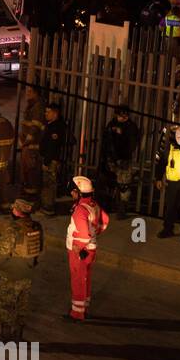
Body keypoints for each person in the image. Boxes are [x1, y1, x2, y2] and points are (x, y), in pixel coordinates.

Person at [0, 198, 43, 341]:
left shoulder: (12, 229)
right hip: (28, 270)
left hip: (12, 271)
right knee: (22, 304)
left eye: (14, 208)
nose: (12, 210)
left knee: (5, 303)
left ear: (18, 211)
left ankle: (5, 335)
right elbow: (40, 248)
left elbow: (2, 251)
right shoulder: (36, 226)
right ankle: (19, 335)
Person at [65, 175, 109, 321]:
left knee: (78, 280)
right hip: (91, 248)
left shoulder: (80, 210)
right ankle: (84, 307)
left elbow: (83, 234)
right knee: (86, 278)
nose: (72, 194)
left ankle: (77, 313)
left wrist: (78, 246)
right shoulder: (93, 205)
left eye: (74, 191)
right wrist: (96, 232)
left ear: (79, 192)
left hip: (80, 250)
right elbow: (105, 221)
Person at [100, 104, 141, 213]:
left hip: (123, 159)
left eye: (124, 114)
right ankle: (107, 205)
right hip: (110, 159)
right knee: (109, 182)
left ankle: (122, 208)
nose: (123, 117)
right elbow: (106, 141)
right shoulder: (112, 124)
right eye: (120, 114)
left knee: (124, 185)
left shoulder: (131, 127)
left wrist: (121, 136)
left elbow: (131, 145)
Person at [39, 103, 66, 214]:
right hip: (49, 159)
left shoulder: (55, 128)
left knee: (49, 184)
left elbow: (52, 147)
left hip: (51, 160)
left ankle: (48, 207)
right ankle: (46, 205)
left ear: (55, 114)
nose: (46, 114)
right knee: (47, 183)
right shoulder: (51, 125)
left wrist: (46, 162)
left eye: (48, 112)